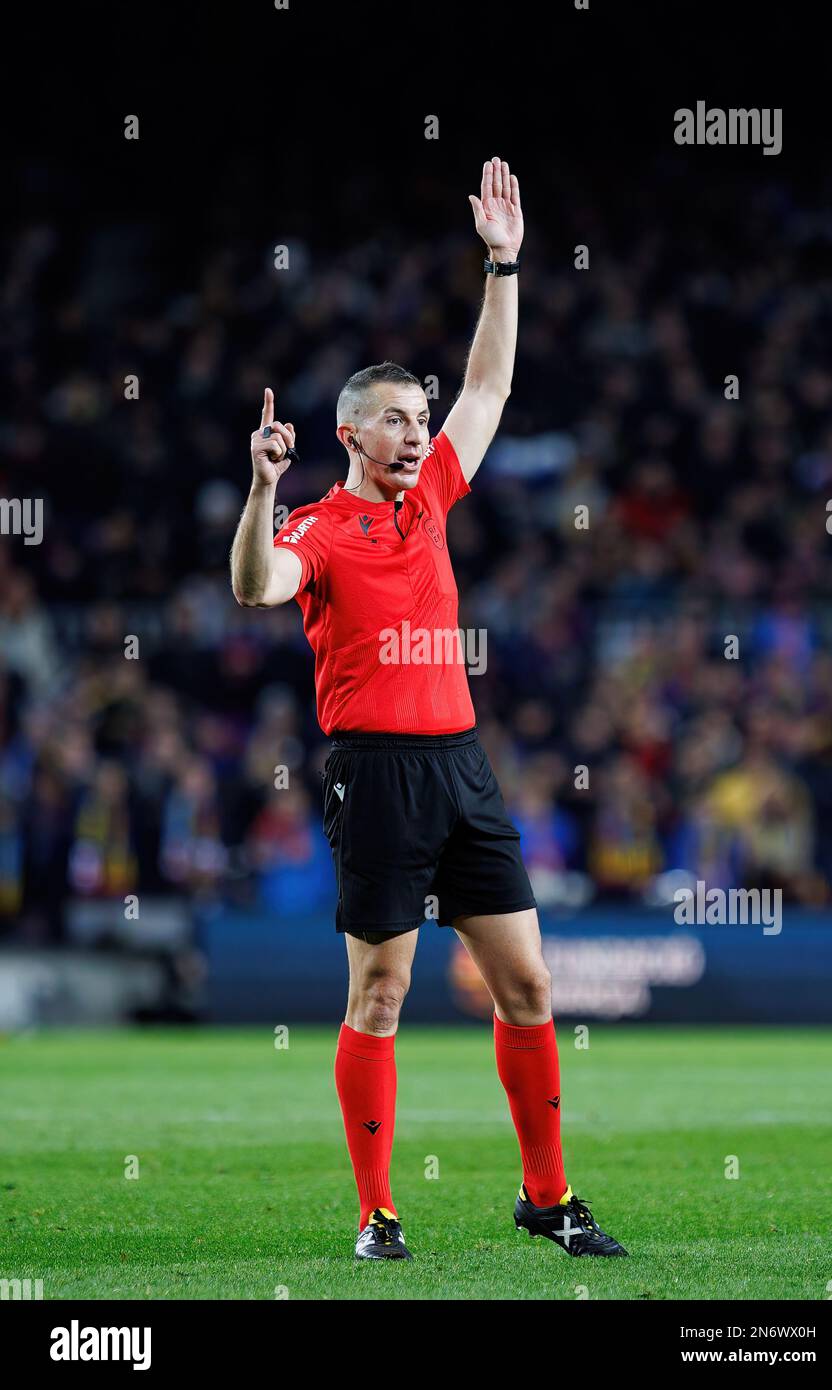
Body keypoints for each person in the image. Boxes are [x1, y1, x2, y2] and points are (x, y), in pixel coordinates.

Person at [230, 158, 626, 1262]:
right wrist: (260, 493)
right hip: (375, 770)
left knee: (528, 982)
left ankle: (544, 1198)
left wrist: (503, 261)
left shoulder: (434, 497)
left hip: (459, 763)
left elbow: (490, 388)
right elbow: (252, 587)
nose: (419, 433)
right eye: (398, 420)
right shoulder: (312, 528)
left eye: (420, 418)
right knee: (381, 994)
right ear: (351, 435)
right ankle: (376, 1213)